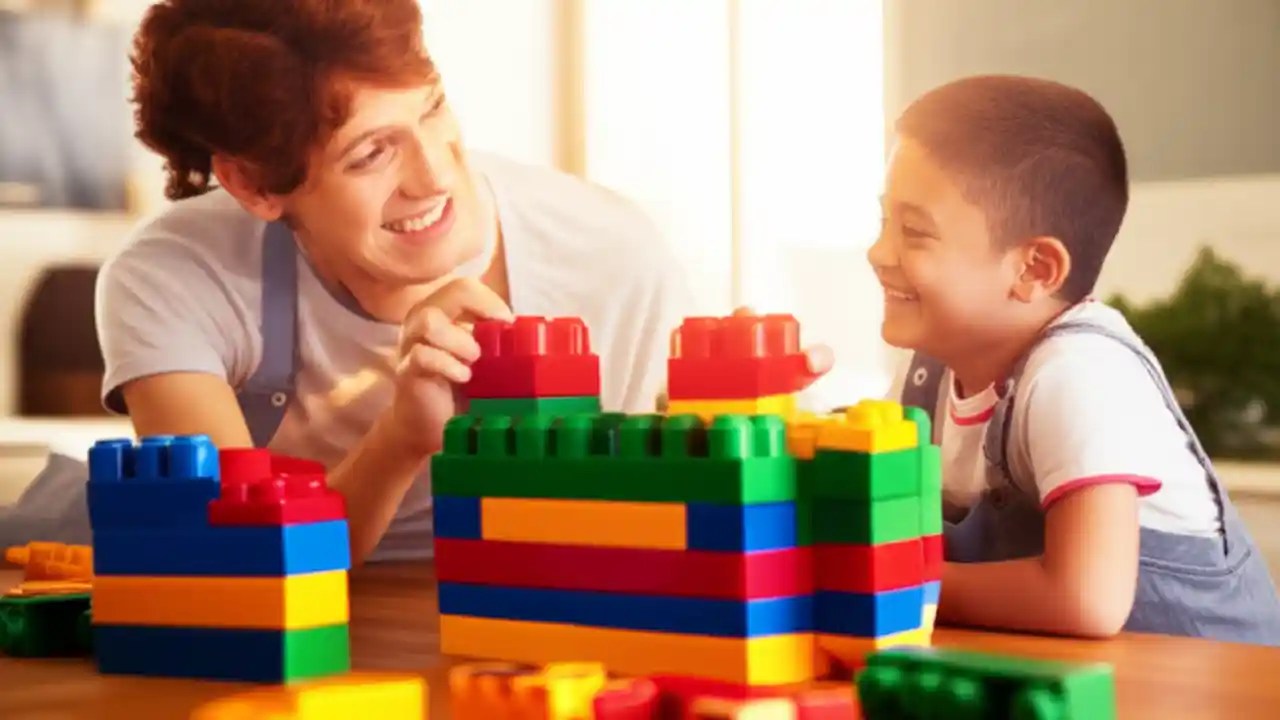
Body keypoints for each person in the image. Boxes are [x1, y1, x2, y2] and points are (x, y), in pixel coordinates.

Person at [88, 0, 705, 565]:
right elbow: (235, 561)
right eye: (371, 154)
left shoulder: (609, 254)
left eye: (432, 108)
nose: (434, 175)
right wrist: (401, 437)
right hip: (312, 634)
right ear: (253, 185)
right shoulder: (175, 278)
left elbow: (692, 518)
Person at [874, 74, 1280, 644]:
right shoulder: (928, 377)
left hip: (1206, 689)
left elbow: (1085, 599)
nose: (877, 252)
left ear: (1035, 270)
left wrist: (896, 590)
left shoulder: (1077, 373)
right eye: (883, 220)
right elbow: (871, 519)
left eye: (913, 231)